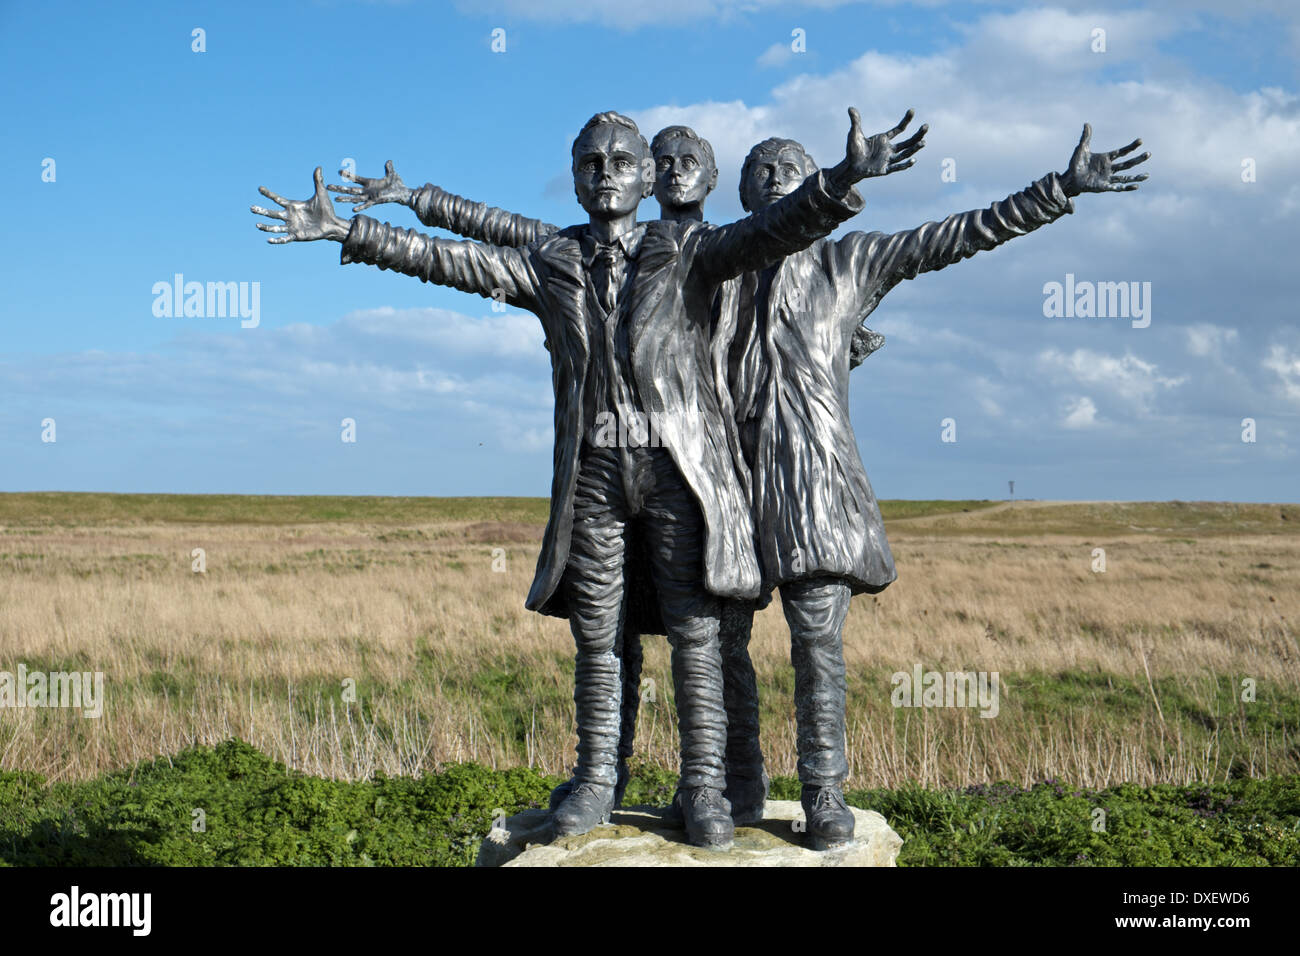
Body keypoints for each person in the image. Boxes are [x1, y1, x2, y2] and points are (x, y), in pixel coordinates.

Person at [251, 107, 901, 847]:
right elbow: (453, 261)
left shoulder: (689, 252)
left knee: (696, 632)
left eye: (621, 162)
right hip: (594, 473)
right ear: (574, 175)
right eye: (590, 163)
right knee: (598, 635)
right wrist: (349, 232)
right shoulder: (551, 259)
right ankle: (596, 780)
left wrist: (843, 179)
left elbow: (771, 232)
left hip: (677, 471)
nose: (605, 175)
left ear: (646, 176)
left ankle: (707, 791)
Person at [713, 121, 1149, 849]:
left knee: (816, 644)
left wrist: (1060, 189)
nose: (773, 175)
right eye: (759, 169)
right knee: (722, 637)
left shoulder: (849, 263)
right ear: (742, 193)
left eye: (789, 165)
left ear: (817, 183)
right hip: (728, 482)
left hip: (814, 486)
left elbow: (956, 235)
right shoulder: (717, 271)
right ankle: (740, 779)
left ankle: (824, 792)